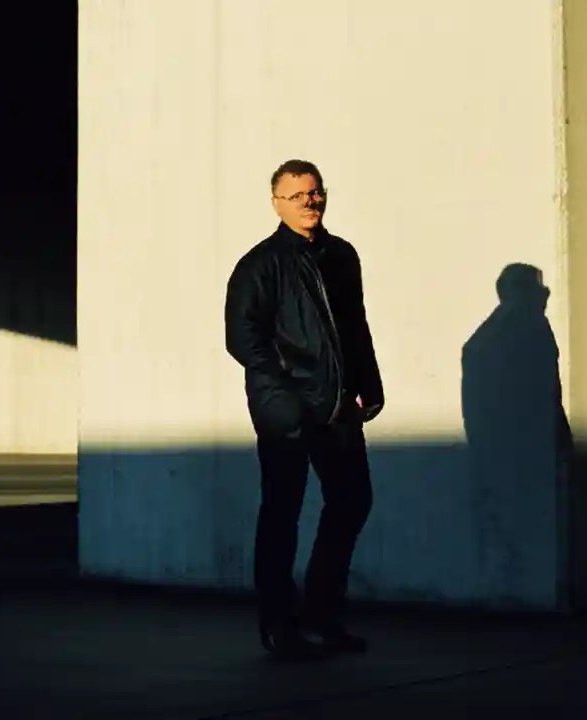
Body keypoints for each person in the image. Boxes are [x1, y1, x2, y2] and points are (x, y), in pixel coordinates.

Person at [224, 159, 384, 661]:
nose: (309, 203)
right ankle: (278, 624)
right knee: (282, 513)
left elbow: (354, 324)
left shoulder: (341, 256)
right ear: (277, 203)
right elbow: (241, 337)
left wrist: (370, 383)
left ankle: (321, 614)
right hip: (285, 409)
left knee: (352, 500)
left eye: (315, 193)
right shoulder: (260, 264)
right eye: (297, 196)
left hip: (336, 403)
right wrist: (284, 390)